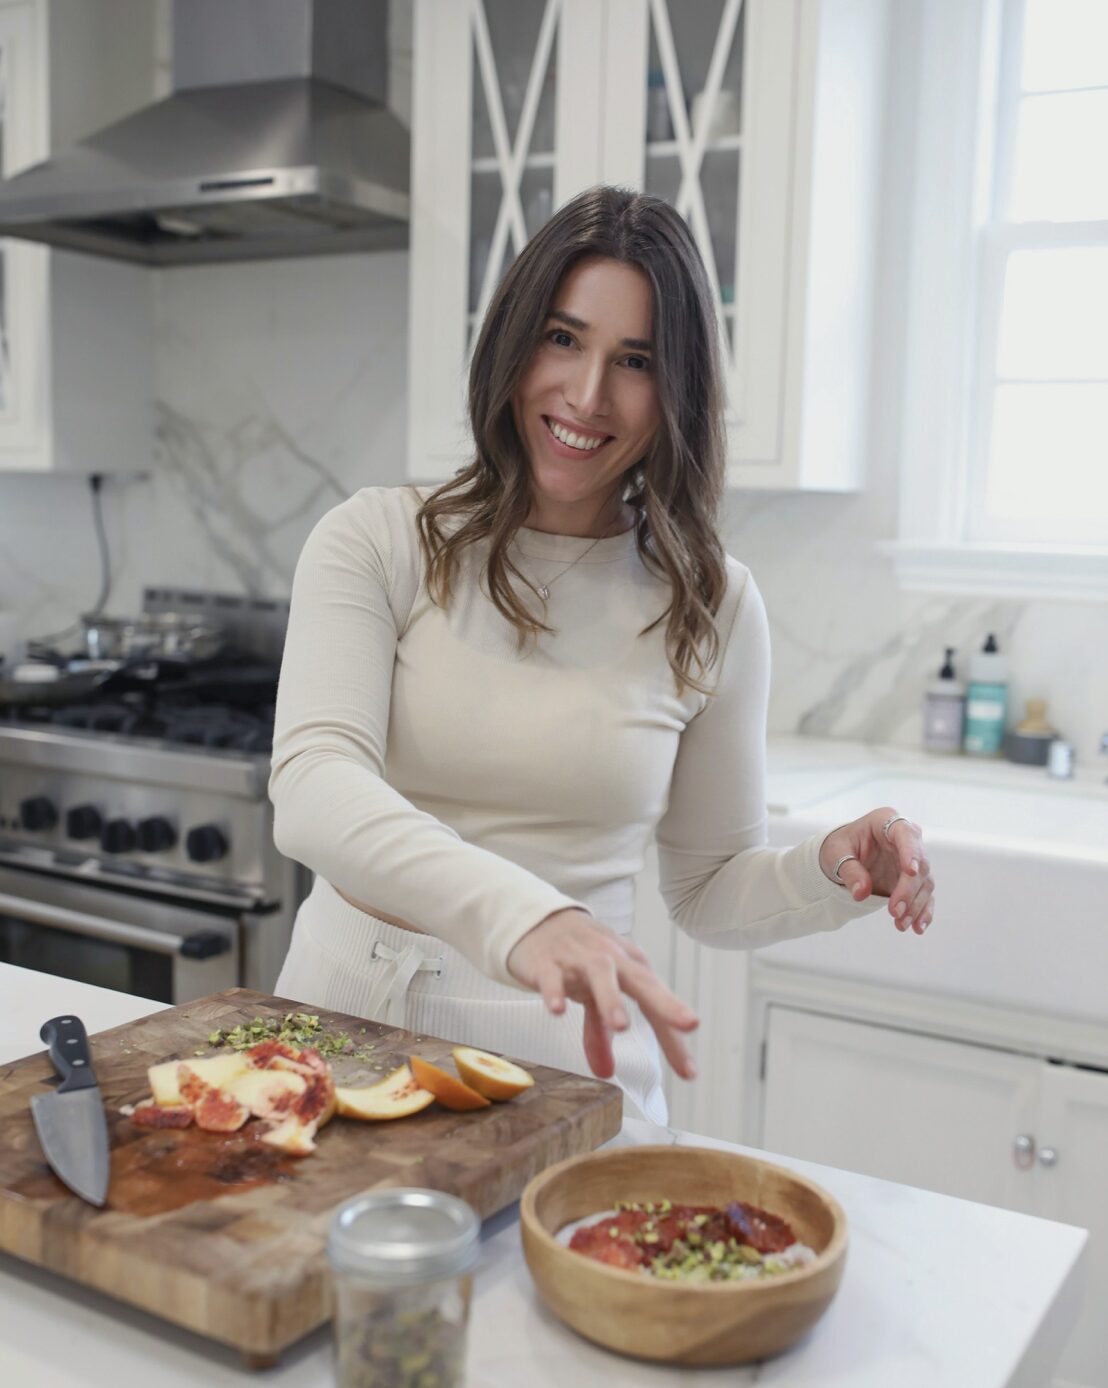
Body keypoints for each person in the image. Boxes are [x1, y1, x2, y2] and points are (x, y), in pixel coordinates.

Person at [269, 185, 935, 1124]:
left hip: (565, 1062)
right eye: (562, 338)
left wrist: (827, 868)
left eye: (636, 360)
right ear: (512, 340)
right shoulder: (378, 540)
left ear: (680, 390)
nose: (587, 395)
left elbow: (708, 890)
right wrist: (529, 917)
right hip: (344, 1027)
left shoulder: (713, 602)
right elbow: (311, 785)